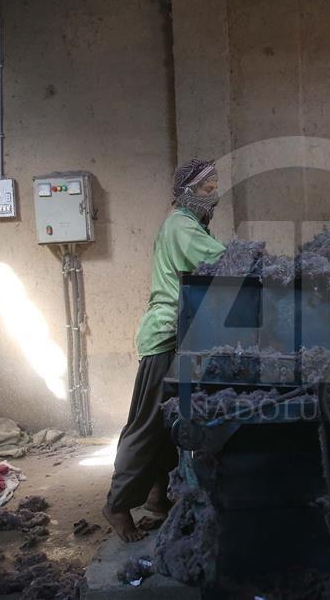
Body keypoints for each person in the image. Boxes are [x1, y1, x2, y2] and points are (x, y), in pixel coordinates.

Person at [103, 158, 225, 542]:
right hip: (166, 335)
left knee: (169, 422)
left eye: (215, 186)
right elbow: (225, 263)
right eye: (208, 188)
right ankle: (117, 506)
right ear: (188, 191)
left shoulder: (185, 226)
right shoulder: (181, 227)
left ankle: (159, 500)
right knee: (147, 423)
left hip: (177, 335)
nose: (214, 194)